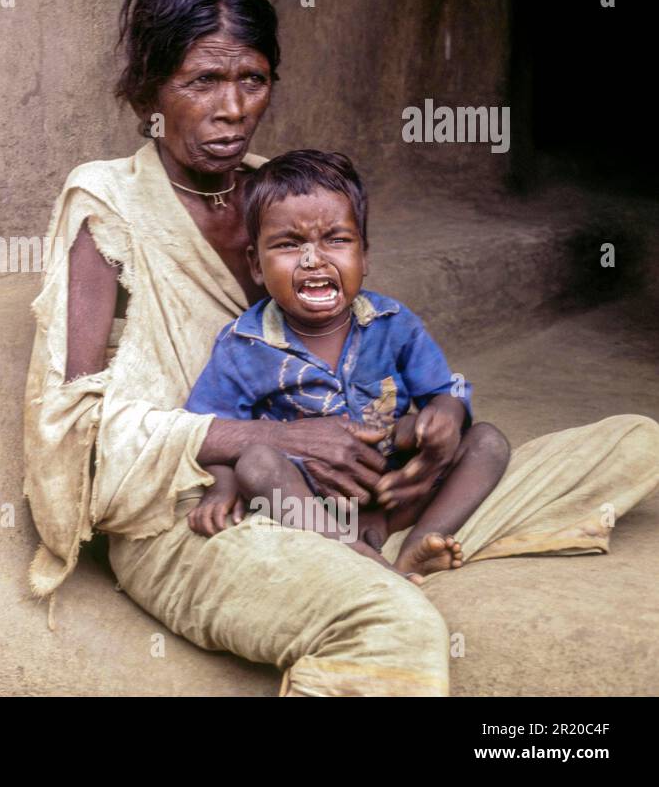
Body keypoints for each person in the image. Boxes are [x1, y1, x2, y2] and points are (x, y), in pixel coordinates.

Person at [21, 0, 659, 696]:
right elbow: (71, 437)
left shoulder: (278, 198)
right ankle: (370, 578)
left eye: (252, 79)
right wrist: (276, 438)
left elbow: (388, 353)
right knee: (394, 628)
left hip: (348, 497)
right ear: (147, 94)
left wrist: (433, 425)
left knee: (632, 444)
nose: (233, 109)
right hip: (200, 514)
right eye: (202, 81)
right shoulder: (108, 205)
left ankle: (382, 550)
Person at [183, 149, 509, 583]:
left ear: (365, 255)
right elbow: (208, 429)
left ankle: (420, 545)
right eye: (288, 244)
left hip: (395, 492)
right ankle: (354, 553)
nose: (313, 260)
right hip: (307, 503)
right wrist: (222, 488)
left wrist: (446, 415)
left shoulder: (394, 324)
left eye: (336, 240)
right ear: (256, 266)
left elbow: (444, 391)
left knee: (487, 441)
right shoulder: (244, 345)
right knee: (256, 464)